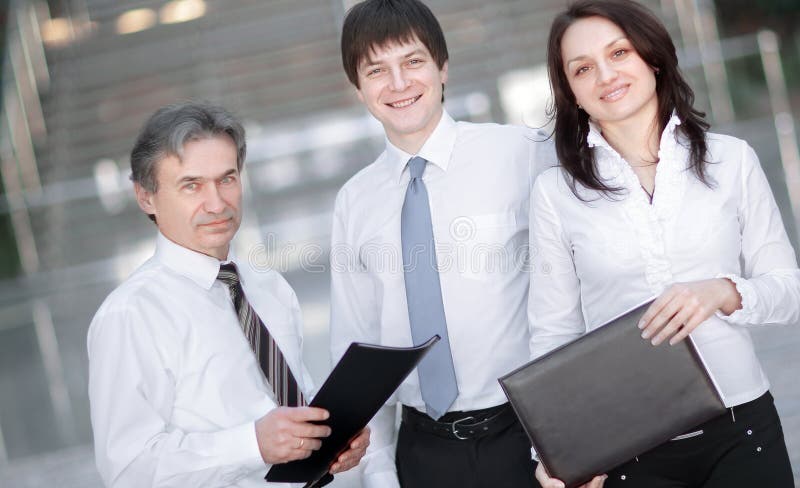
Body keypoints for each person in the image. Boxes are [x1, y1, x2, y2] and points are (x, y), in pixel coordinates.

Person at [530, 1, 799, 487]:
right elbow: (553, 332)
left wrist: (723, 291)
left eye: (619, 53)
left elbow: (790, 292)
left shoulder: (732, 161)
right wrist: (555, 451)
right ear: (571, 90)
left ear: (651, 57)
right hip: (629, 448)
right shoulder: (555, 193)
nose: (605, 75)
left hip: (743, 428)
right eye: (583, 68)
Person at [329, 1, 555, 487]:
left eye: (412, 62)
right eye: (377, 70)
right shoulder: (354, 202)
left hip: (529, 437)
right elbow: (357, 350)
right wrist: (381, 475)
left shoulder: (521, 153)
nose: (399, 83)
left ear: (442, 66)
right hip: (423, 454)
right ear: (358, 88)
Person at [87, 102, 369, 487]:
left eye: (227, 178)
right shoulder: (130, 315)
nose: (217, 203)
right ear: (145, 197)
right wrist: (252, 445)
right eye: (192, 185)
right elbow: (127, 469)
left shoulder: (268, 287)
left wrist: (332, 438)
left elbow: (292, 400)